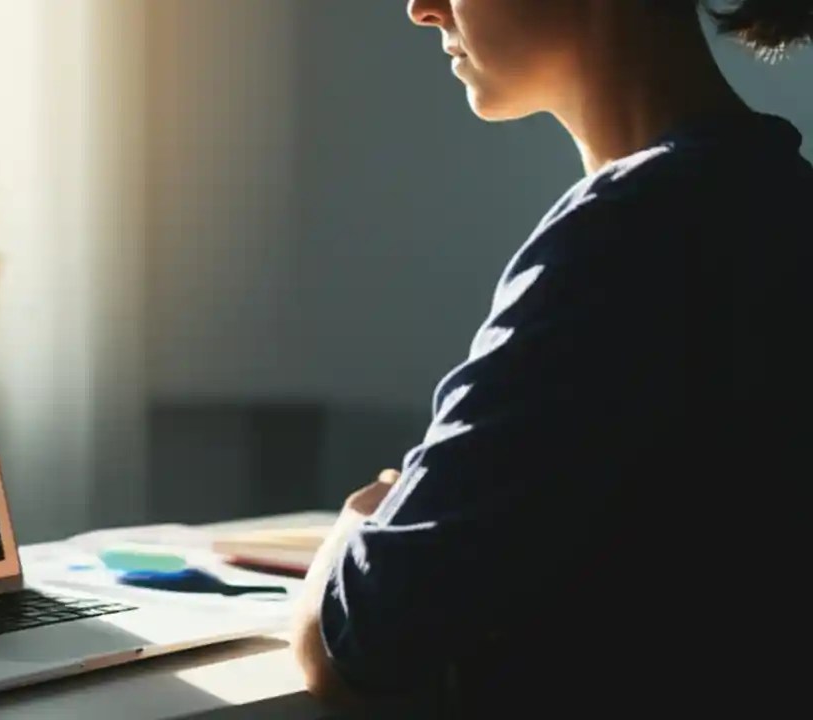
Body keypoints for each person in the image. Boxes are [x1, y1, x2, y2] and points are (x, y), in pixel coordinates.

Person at [292, 0, 813, 715]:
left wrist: (356, 523)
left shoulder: (625, 233)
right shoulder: (777, 199)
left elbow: (357, 639)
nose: (421, 9)